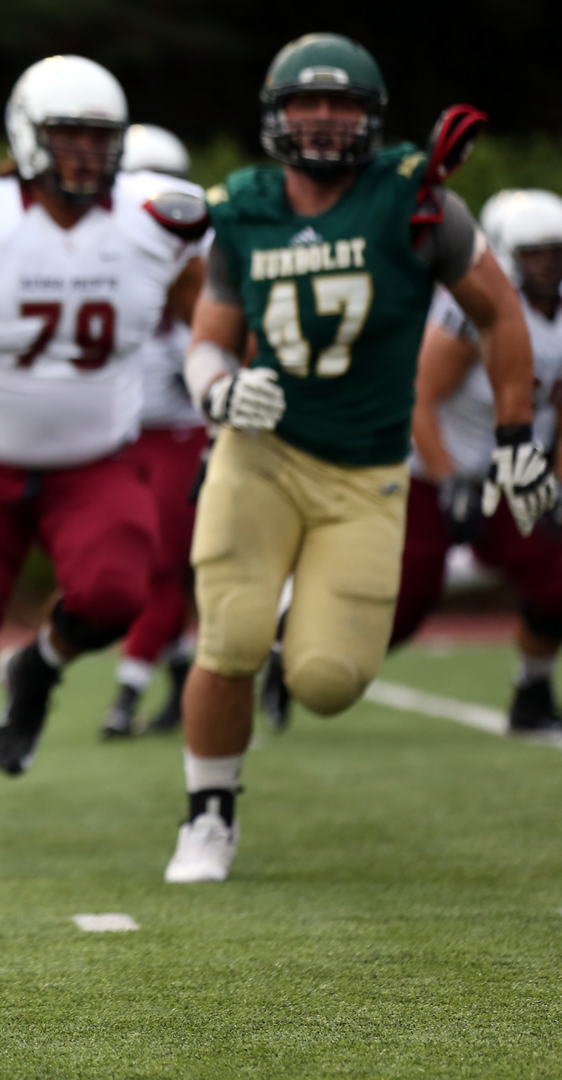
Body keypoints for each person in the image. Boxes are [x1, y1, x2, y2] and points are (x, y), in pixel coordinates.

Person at [163, 33, 551, 884]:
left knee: (329, 681)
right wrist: (220, 393)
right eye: (309, 102)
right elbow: (207, 343)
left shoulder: (418, 203)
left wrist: (519, 434)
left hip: (368, 474)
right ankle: (208, 815)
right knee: (227, 639)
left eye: (343, 104)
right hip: (258, 457)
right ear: (278, 115)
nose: (326, 119)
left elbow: (500, 317)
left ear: (371, 119)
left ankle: (295, 615)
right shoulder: (247, 211)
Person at [0, 57, 208, 848]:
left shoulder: (156, 216)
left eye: (100, 139)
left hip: (97, 456)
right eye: (69, 136)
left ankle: (41, 664)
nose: (86, 155)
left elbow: (212, 306)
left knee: (115, 596)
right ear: (30, 136)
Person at [390, 189, 562, 732]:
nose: (550, 263)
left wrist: (556, 482)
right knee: (405, 606)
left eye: (557, 251)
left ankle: (531, 690)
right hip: (433, 471)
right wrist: (446, 478)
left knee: (555, 578)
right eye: (536, 252)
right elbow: (417, 394)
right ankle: (285, 651)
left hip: (513, 474)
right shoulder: (474, 306)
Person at [98, 123, 210, 738]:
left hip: (183, 437)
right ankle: (176, 678)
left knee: (163, 565)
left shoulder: (204, 266)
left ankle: (128, 691)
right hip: (119, 440)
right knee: (138, 565)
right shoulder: (101, 261)